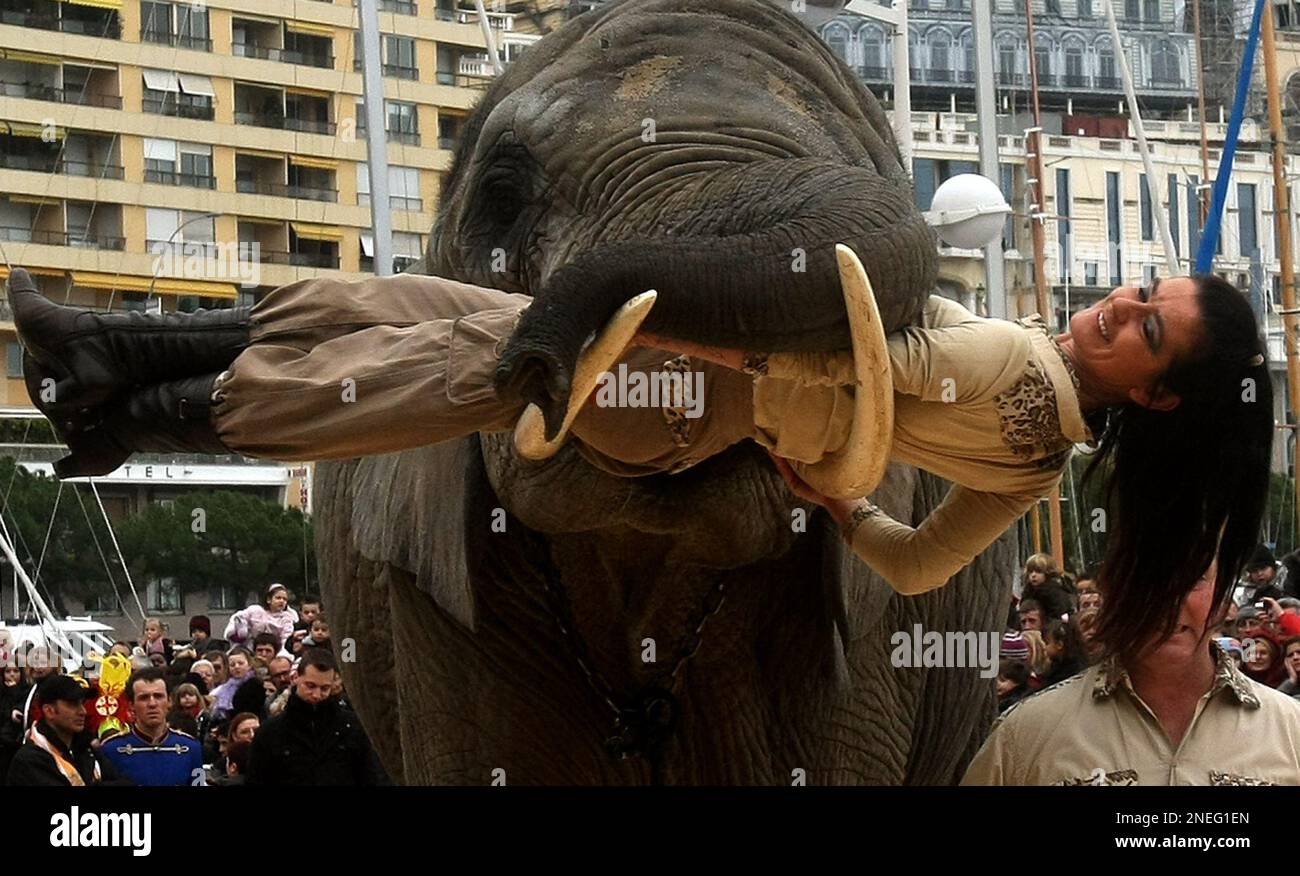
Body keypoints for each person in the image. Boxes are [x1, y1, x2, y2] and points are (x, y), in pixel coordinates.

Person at [8, 265, 1273, 624]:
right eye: (1135, 295)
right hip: (698, 390)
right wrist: (836, 503)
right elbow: (920, 569)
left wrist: (689, 346)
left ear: (1155, 397)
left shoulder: (1014, 373)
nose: (1115, 309)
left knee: (430, 363)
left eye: (1142, 331)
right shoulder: (1038, 463)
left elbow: (846, 358)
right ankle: (116, 363)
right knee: (405, 311)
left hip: (680, 376)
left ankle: (132, 395)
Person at [962, 558, 1300, 785]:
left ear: (1224, 594)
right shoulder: (1023, 738)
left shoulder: (1291, 732)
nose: (1167, 599)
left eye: (1193, 577)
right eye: (1146, 575)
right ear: (1111, 588)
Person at [247, 648, 383, 786]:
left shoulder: (351, 727)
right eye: (310, 686)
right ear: (296, 678)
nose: (317, 694)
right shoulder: (270, 732)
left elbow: (369, 775)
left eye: (324, 688)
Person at [5, 675, 126, 786]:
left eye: (82, 703)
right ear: (49, 711)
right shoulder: (29, 760)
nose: (83, 711)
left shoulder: (86, 749)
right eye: (73, 704)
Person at [100, 667, 205, 786]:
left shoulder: (191, 748)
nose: (152, 704)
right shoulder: (111, 749)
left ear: (169, 701)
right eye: (144, 698)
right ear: (131, 705)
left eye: (158, 696)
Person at [224, 583, 299, 650]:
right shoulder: (256, 610)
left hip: (273, 649)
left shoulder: (287, 618)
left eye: (285, 599)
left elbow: (286, 637)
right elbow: (238, 617)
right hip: (249, 646)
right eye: (278, 598)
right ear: (269, 599)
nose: (282, 601)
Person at [1019, 553, 1074, 623]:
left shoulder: (1054, 592)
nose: (1033, 575)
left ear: (1048, 573)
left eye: (1038, 572)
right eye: (1030, 572)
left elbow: (1059, 612)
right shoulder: (1028, 592)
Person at [0, 664, 31, 784]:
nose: (12, 674)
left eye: (16, 671)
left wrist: (13, 691)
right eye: (8, 671)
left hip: (15, 743)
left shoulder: (26, 691)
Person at [1039, 617, 1089, 689]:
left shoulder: (1071, 672)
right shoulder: (1055, 667)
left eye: (1047, 643)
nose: (1044, 648)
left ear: (1059, 644)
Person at [210, 647, 256, 721]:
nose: (236, 667)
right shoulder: (222, 689)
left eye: (240, 663)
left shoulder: (254, 684)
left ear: (249, 665)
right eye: (232, 665)